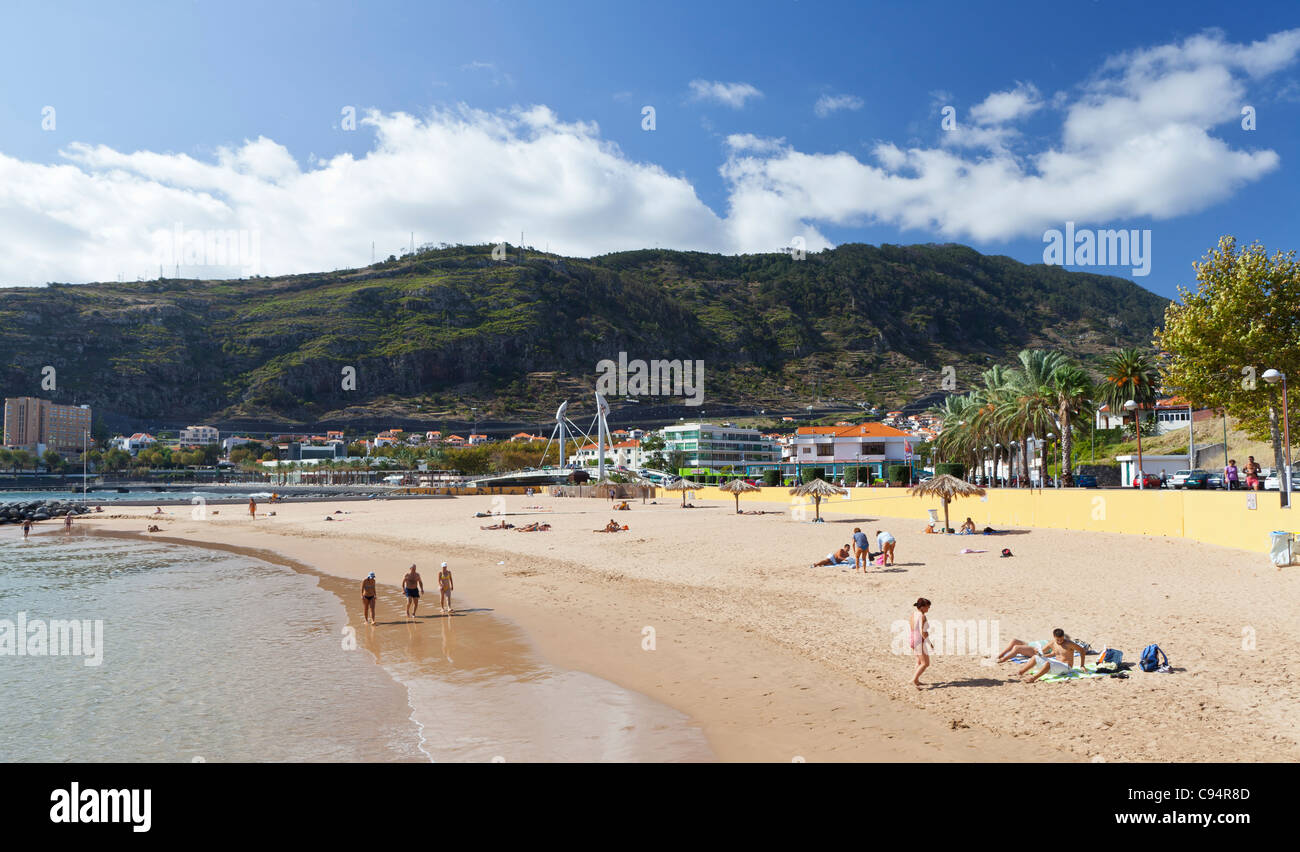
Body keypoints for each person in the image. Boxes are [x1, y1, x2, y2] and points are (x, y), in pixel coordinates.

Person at [1017, 628, 1088, 683]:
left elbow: (1082, 650)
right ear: (1054, 637)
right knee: (1035, 657)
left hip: (1067, 667)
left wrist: (1082, 665)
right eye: (1058, 640)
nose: (1060, 641)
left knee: (1048, 663)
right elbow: (1041, 651)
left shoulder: (1069, 644)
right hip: (1056, 666)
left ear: (1063, 636)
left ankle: (1033, 678)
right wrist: (1037, 652)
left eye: (1061, 639)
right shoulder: (1052, 643)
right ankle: (1020, 672)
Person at [910, 598, 933, 689]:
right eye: (928, 607)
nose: (929, 608)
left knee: (919, 661)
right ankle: (914, 680)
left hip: (912, 639)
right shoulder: (922, 616)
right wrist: (929, 643)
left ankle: (916, 679)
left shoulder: (913, 614)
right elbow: (923, 632)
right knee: (925, 663)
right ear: (923, 607)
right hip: (919, 641)